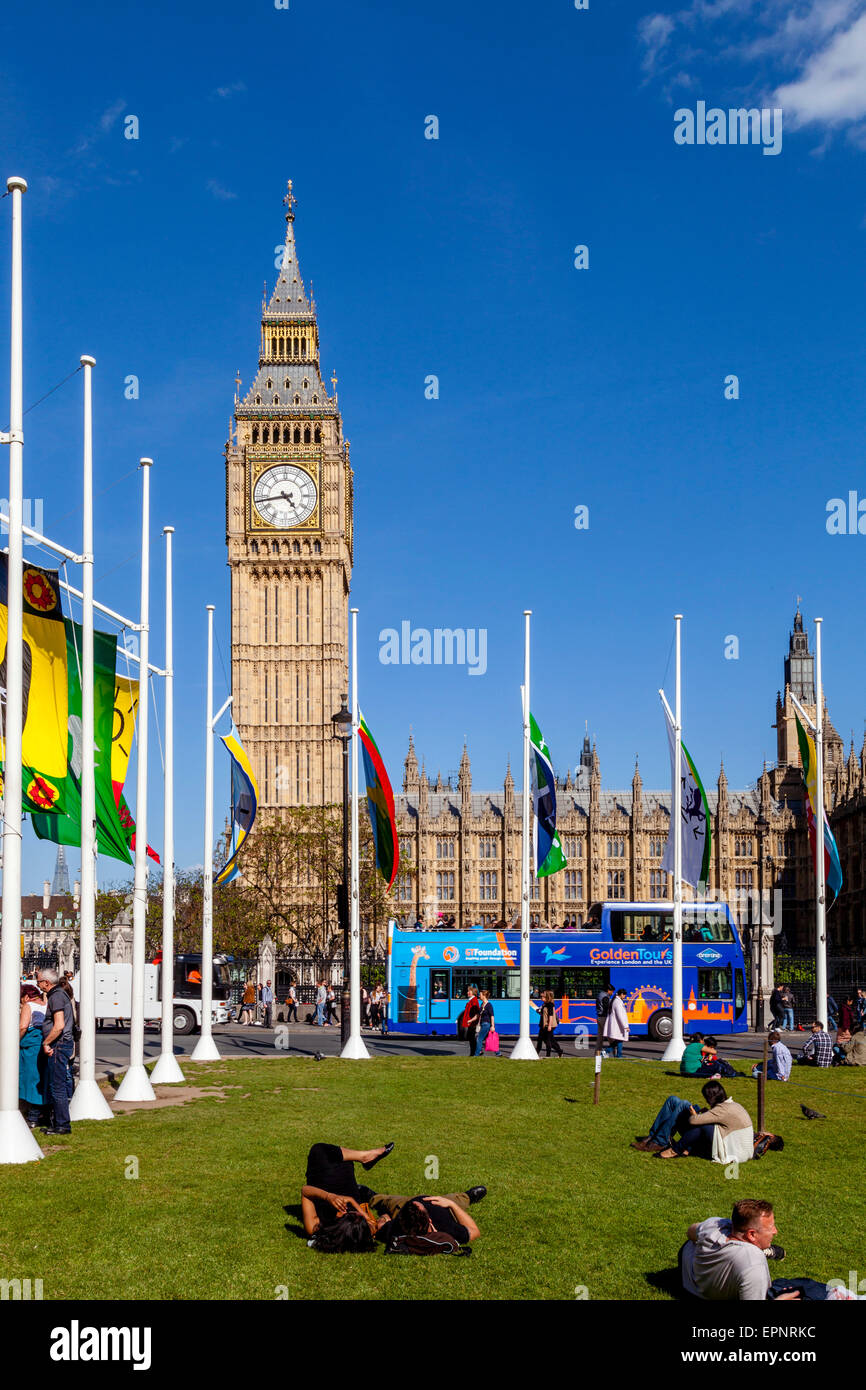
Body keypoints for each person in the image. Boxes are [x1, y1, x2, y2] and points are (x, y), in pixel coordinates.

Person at [680, 1200, 836, 1301]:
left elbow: (690, 1232)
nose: (776, 1231)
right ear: (752, 1234)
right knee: (807, 1289)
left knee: (690, 1243)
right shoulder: (752, 1263)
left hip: (686, 1269)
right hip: (700, 1292)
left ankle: (765, 1249)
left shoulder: (715, 1225)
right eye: (771, 1228)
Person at [301, 1141, 395, 1252]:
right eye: (354, 1212)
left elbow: (305, 1191)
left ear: (340, 1226)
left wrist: (328, 1197)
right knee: (344, 1163)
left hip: (322, 1191)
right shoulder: (363, 1229)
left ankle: (365, 1157)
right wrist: (358, 1208)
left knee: (319, 1151)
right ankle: (365, 1157)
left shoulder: (316, 1227)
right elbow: (368, 1217)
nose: (346, 1209)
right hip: (349, 1192)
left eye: (346, 1213)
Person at [641, 1081, 753, 1162]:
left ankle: (672, 1148)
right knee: (673, 1101)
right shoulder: (731, 1105)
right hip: (737, 1145)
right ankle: (655, 1137)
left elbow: (694, 1121)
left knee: (694, 1117)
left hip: (733, 1150)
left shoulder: (722, 1109)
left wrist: (695, 1114)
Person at [36, 968, 75, 1135]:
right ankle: (58, 1122)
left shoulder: (56, 996)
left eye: (38, 981)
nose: (37, 985)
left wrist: (46, 1042)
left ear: (46, 982)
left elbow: (58, 1025)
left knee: (57, 1086)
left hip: (58, 1045)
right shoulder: (57, 995)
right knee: (56, 1084)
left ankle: (62, 1125)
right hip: (60, 1044)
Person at [375, 1188, 486, 1247]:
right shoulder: (446, 1227)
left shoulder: (396, 1228)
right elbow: (475, 1231)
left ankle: (371, 1195)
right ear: (430, 1220)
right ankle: (468, 1196)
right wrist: (451, 1205)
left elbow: (380, 1225)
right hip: (440, 1203)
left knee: (386, 1201)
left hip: (402, 1204)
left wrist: (385, 1217)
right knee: (456, 1200)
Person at [19, 983, 47, 1127]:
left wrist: (15, 1040)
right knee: (41, 1079)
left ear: (26, 996)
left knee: (30, 1081)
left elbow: (23, 1026)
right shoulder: (44, 1004)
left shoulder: (28, 1006)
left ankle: (33, 1116)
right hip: (43, 1044)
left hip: (30, 1047)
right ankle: (43, 1113)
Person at [536, 990, 564, 1058]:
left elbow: (550, 1016)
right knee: (541, 1039)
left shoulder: (550, 1005)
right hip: (543, 1024)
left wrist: (549, 1026)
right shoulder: (544, 1004)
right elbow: (544, 1014)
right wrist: (539, 1012)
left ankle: (548, 1055)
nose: (541, 995)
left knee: (548, 1040)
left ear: (547, 996)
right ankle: (536, 1054)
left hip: (548, 1025)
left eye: (543, 995)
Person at [604, 987, 629, 1059]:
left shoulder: (616, 1001)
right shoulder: (618, 1002)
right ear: (621, 994)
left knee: (619, 1040)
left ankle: (617, 1054)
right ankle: (609, 1052)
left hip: (617, 1024)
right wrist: (625, 1026)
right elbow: (620, 1015)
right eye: (624, 995)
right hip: (618, 1025)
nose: (625, 997)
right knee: (619, 1040)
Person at [595, 983, 615, 1055]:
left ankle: (597, 1055)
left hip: (599, 1017)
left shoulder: (599, 994)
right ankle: (615, 1055)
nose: (612, 993)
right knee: (611, 1037)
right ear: (608, 990)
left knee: (600, 1039)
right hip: (604, 1018)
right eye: (611, 991)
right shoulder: (605, 997)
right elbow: (607, 1008)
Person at [461, 987, 481, 1057]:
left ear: (473, 992)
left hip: (472, 1023)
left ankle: (474, 1052)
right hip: (471, 1023)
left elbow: (476, 1013)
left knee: (471, 1038)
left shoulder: (474, 1001)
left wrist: (471, 1021)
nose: (467, 993)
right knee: (471, 1038)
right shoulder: (472, 1000)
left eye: (469, 991)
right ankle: (475, 1052)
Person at [475, 988, 495, 1056]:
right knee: (488, 1039)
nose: (479, 996)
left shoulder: (489, 1005)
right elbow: (479, 1015)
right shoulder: (482, 1004)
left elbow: (492, 1016)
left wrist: (492, 1026)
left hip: (486, 1024)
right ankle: (498, 1053)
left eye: (480, 995)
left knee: (479, 1039)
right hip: (482, 1024)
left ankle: (477, 1054)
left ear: (484, 996)